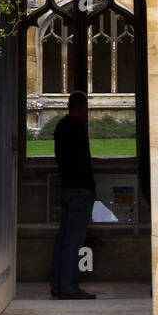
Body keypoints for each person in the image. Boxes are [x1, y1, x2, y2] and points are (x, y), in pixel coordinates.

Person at [50, 91, 96, 300]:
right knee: (73, 240)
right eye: (85, 108)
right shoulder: (76, 128)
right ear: (80, 107)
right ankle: (68, 286)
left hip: (68, 187)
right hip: (79, 189)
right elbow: (82, 162)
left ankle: (58, 284)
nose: (87, 112)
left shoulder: (61, 126)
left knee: (63, 238)